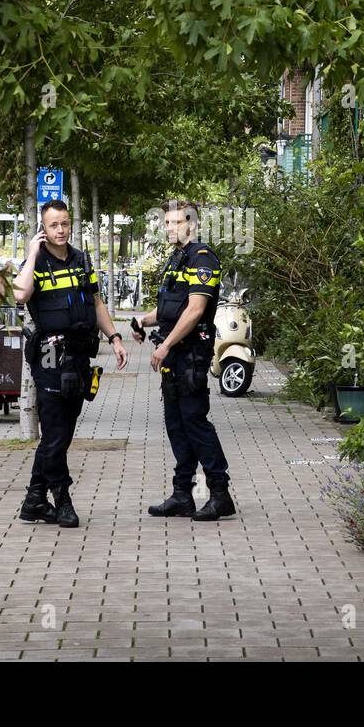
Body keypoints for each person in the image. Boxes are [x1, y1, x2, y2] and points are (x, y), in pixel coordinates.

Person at [12, 200, 127, 527]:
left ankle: (35, 499)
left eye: (64, 224)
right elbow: (20, 295)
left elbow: (96, 301)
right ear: (42, 230)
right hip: (50, 355)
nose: (60, 230)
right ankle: (62, 500)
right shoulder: (33, 262)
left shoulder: (81, 260)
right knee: (56, 433)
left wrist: (115, 338)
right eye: (53, 225)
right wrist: (33, 254)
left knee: (60, 434)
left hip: (79, 356)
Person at [133, 200, 235, 521]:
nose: (169, 228)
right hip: (173, 355)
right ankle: (182, 495)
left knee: (195, 421)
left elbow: (194, 310)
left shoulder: (203, 258)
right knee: (176, 423)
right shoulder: (178, 258)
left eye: (175, 222)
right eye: (166, 223)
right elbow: (170, 308)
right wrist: (142, 322)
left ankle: (220, 494)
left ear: (191, 224)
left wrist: (165, 346)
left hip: (190, 354)